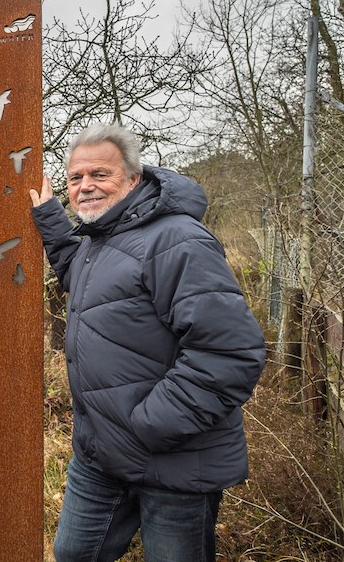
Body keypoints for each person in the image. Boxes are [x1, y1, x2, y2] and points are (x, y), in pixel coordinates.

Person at [29, 123, 265, 561]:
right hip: (101, 458)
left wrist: (150, 426)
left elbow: (230, 353)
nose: (85, 186)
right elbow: (79, 275)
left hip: (174, 461)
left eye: (100, 174)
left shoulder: (177, 239)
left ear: (135, 178)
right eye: (75, 178)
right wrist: (48, 215)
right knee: (74, 554)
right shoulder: (102, 240)